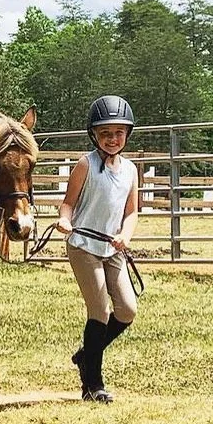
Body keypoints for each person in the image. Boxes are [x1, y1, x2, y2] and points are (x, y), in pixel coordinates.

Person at [56, 95, 139, 403]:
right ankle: (93, 384)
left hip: (113, 248)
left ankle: (86, 355)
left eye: (118, 132)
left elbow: (132, 212)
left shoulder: (130, 170)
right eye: (105, 133)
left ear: (127, 134)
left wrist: (125, 235)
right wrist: (65, 221)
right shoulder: (85, 164)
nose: (112, 139)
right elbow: (67, 205)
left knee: (127, 310)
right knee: (100, 311)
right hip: (84, 246)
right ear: (94, 135)